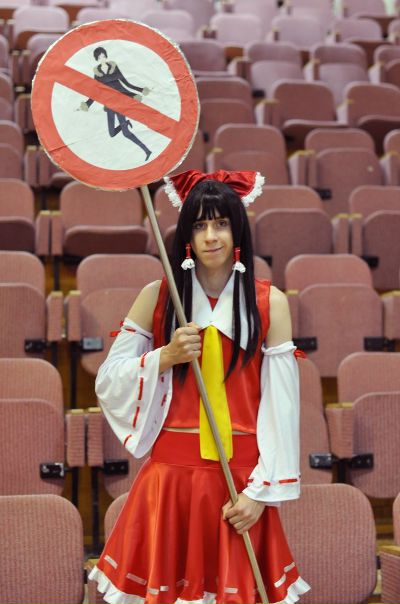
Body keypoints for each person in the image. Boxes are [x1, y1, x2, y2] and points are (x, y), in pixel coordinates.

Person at [89, 169, 311, 604]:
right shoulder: (158, 296)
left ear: (237, 229)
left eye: (221, 223)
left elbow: (282, 406)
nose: (211, 237)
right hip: (170, 478)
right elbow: (109, 381)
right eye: (200, 224)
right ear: (187, 235)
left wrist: (261, 493)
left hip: (240, 481)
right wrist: (165, 356)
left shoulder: (270, 303)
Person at [79, 46, 152, 161]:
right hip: (109, 105)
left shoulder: (114, 67)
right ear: (96, 58)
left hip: (119, 102)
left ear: (106, 56)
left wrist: (140, 90)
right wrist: (88, 104)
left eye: (103, 56)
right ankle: (126, 123)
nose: (102, 58)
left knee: (126, 133)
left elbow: (126, 83)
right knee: (112, 133)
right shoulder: (97, 73)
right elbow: (96, 91)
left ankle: (147, 151)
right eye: (99, 57)